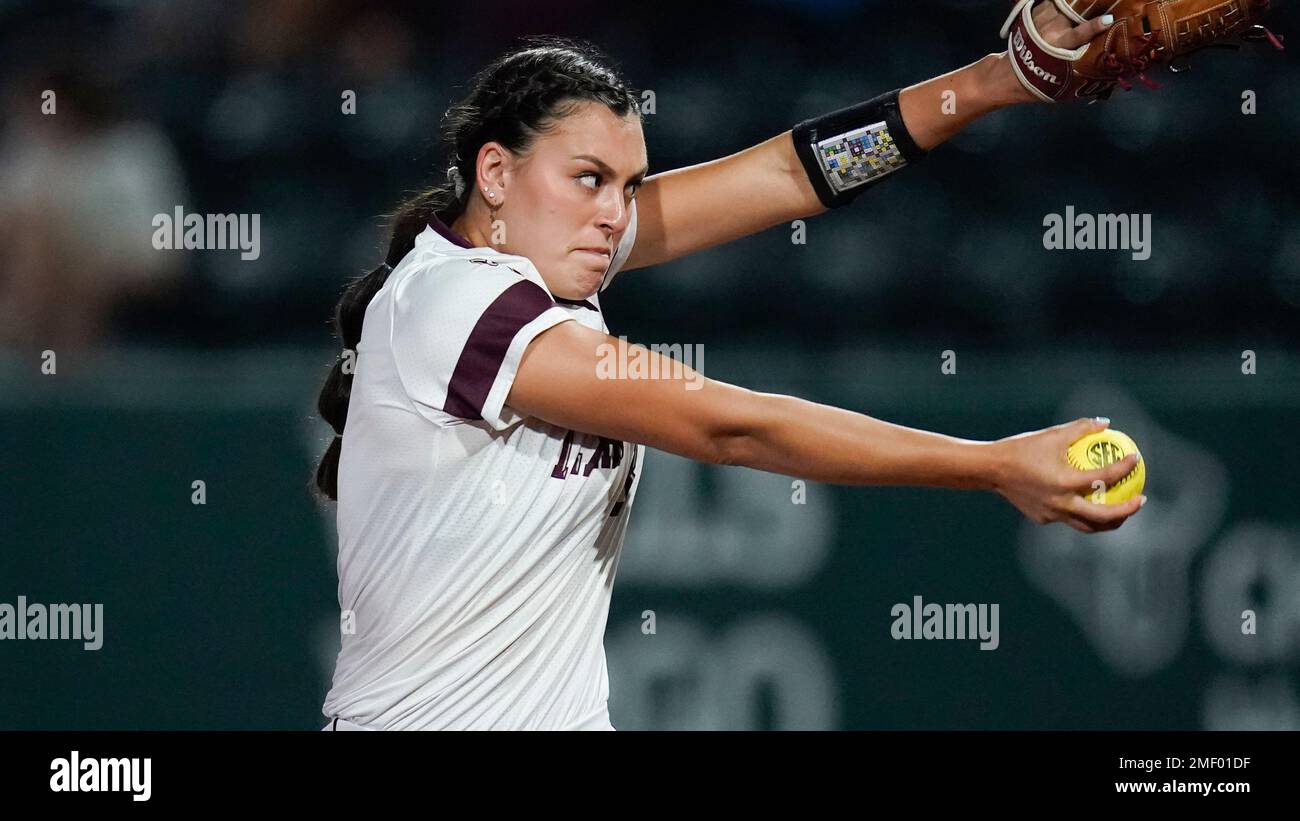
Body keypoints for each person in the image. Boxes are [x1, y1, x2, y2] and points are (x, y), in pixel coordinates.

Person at [316, 12, 1144, 731]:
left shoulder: (556, 247)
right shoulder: (453, 302)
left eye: (631, 186)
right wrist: (995, 465)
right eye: (590, 179)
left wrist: (996, 81)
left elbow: (792, 174)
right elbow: (730, 427)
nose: (615, 212)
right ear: (496, 173)